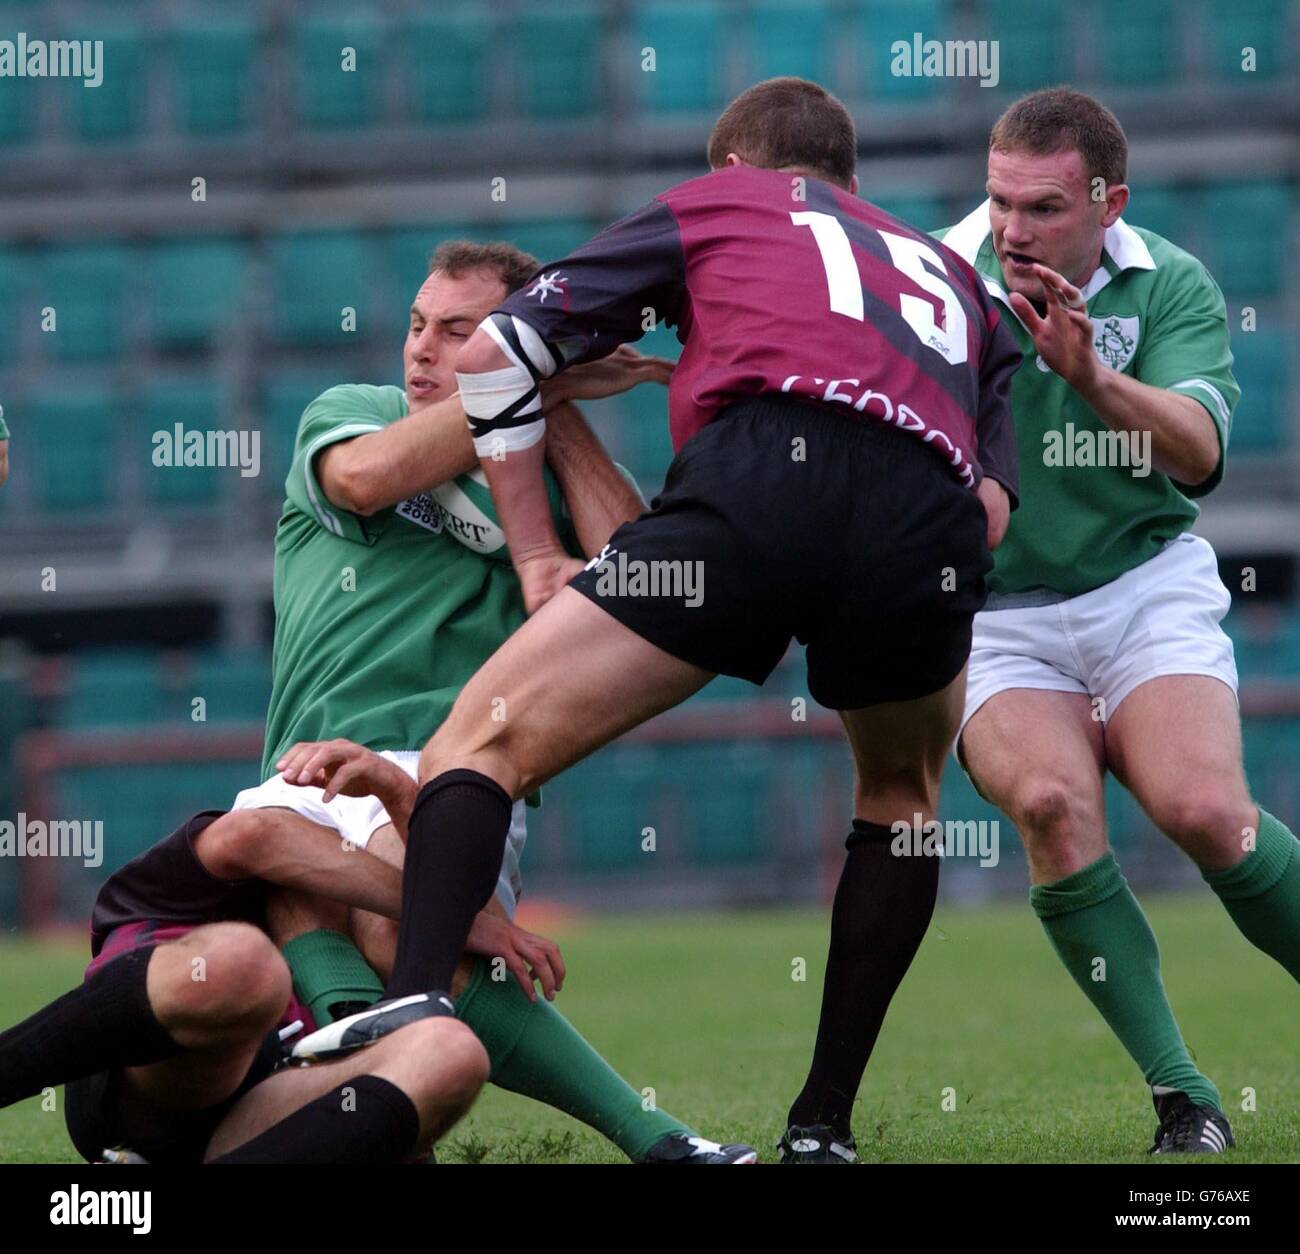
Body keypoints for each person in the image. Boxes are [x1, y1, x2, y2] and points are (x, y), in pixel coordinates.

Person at [303, 76, 1022, 1166]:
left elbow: (499, 354)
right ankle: (821, 1127)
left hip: (756, 482)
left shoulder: (721, 203)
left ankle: (408, 1017)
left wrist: (541, 555)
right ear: (853, 183)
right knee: (903, 803)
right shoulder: (955, 281)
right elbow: (992, 510)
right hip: (926, 522)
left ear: (738, 167)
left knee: (479, 740)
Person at [235, 239, 752, 1163]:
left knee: (398, 935)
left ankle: (655, 1140)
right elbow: (361, 480)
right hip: (308, 761)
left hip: (461, 766)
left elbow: (642, 582)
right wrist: (530, 382)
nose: (425, 350)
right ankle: (382, 1080)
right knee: (294, 860)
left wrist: (541, 407)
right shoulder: (352, 416)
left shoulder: (552, 474)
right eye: (417, 325)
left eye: (461, 333)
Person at [936, 87, 1299, 1154]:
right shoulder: (937, 283)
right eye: (999, 201)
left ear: (1109, 203)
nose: (1012, 229)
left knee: (1204, 814)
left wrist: (1090, 377)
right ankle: (1183, 1102)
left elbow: (1195, 452)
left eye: (1042, 207)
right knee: (1050, 804)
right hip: (995, 617)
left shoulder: (1171, 281)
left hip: (1142, 587)